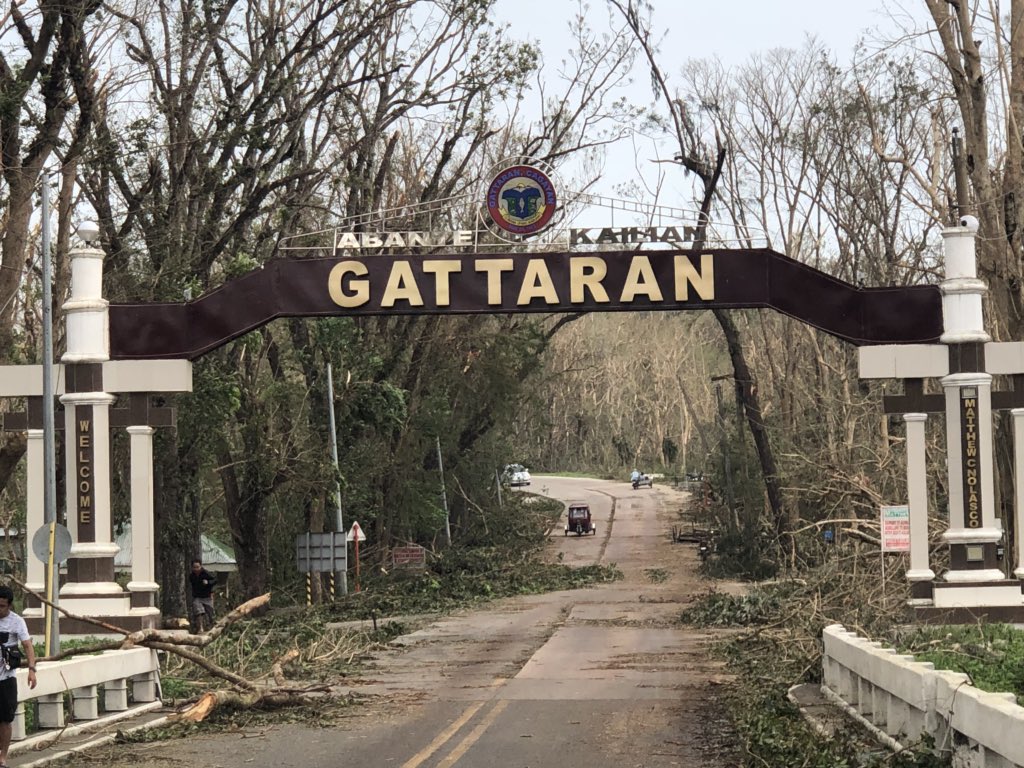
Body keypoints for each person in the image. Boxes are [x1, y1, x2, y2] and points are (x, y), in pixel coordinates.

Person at [0, 585, 36, 768]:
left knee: (6, 719)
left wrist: (31, 669)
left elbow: (28, 645)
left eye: (2, 606)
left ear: (10, 606)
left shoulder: (17, 622)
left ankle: (3, 757)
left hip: (6, 678)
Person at [189, 559, 217, 633]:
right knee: (199, 612)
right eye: (194, 567)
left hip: (207, 596)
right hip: (197, 597)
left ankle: (214, 627)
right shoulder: (191, 576)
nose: (196, 569)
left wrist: (208, 582)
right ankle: (200, 628)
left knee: (211, 614)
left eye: (198, 567)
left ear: (201, 566)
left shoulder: (206, 573)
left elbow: (215, 580)